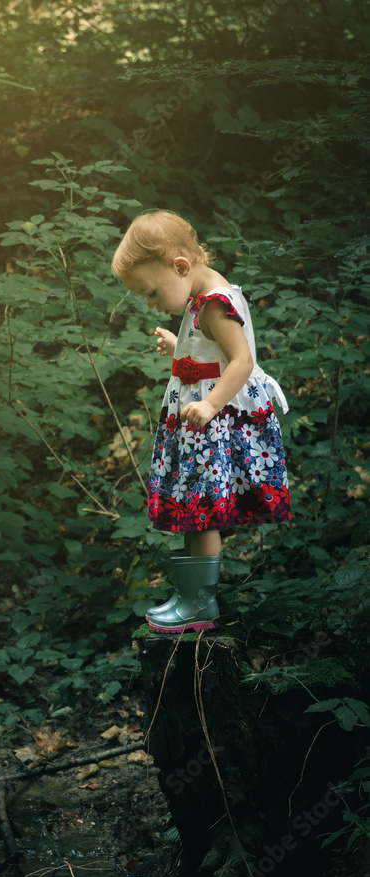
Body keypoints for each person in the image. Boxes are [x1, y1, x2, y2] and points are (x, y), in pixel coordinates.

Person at [112, 209, 291, 633]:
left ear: (180, 266)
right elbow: (212, 352)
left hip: (216, 424)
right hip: (200, 428)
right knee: (194, 510)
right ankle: (189, 595)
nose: (152, 303)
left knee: (204, 513)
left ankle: (200, 604)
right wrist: (181, 345)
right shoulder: (201, 297)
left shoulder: (214, 305)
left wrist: (210, 405)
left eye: (152, 293)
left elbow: (241, 361)